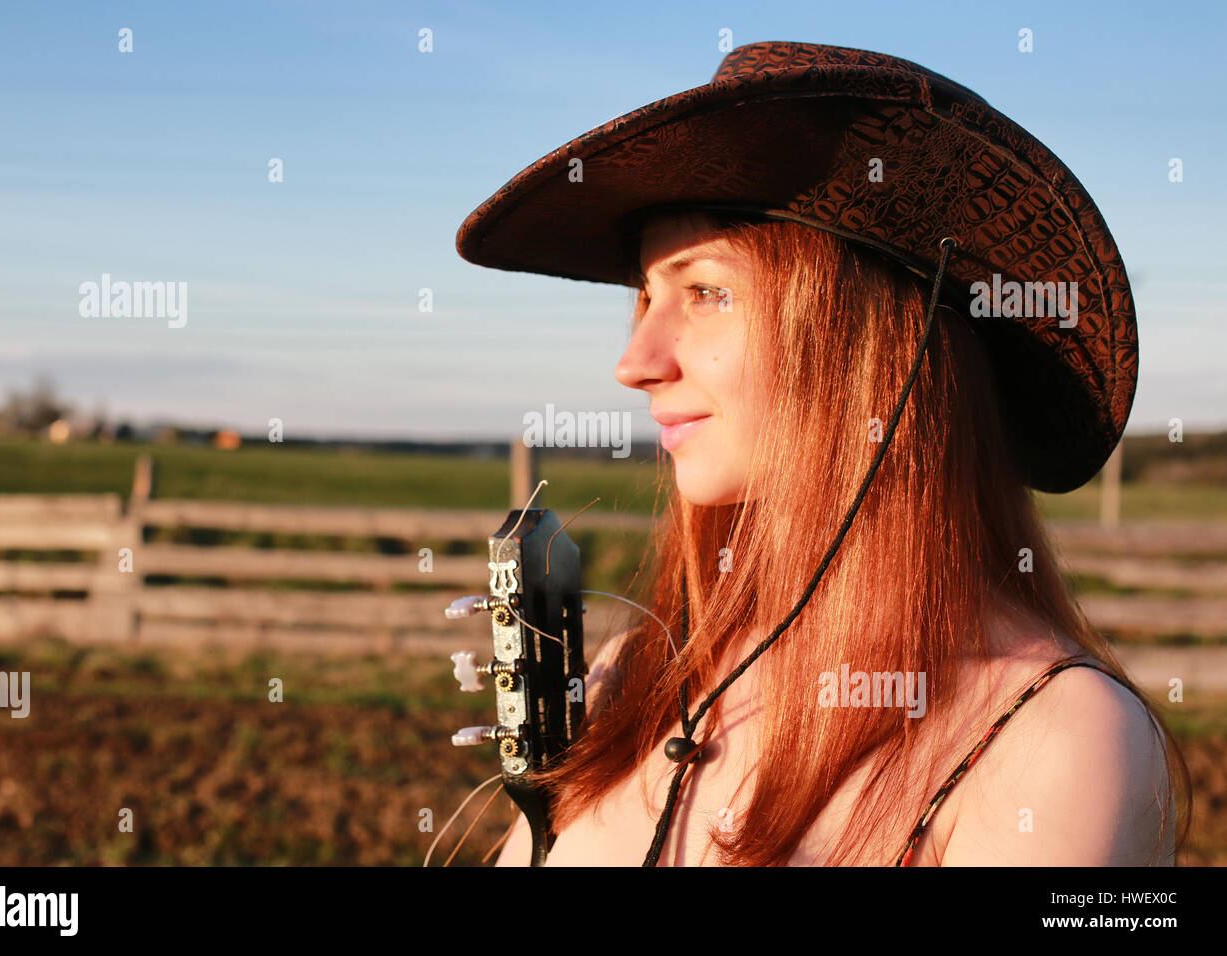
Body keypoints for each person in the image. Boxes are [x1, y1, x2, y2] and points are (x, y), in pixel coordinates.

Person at [456, 41, 1190, 866]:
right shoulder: (636, 677)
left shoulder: (1054, 743)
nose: (635, 361)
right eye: (647, 295)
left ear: (870, 345)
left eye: (706, 292)